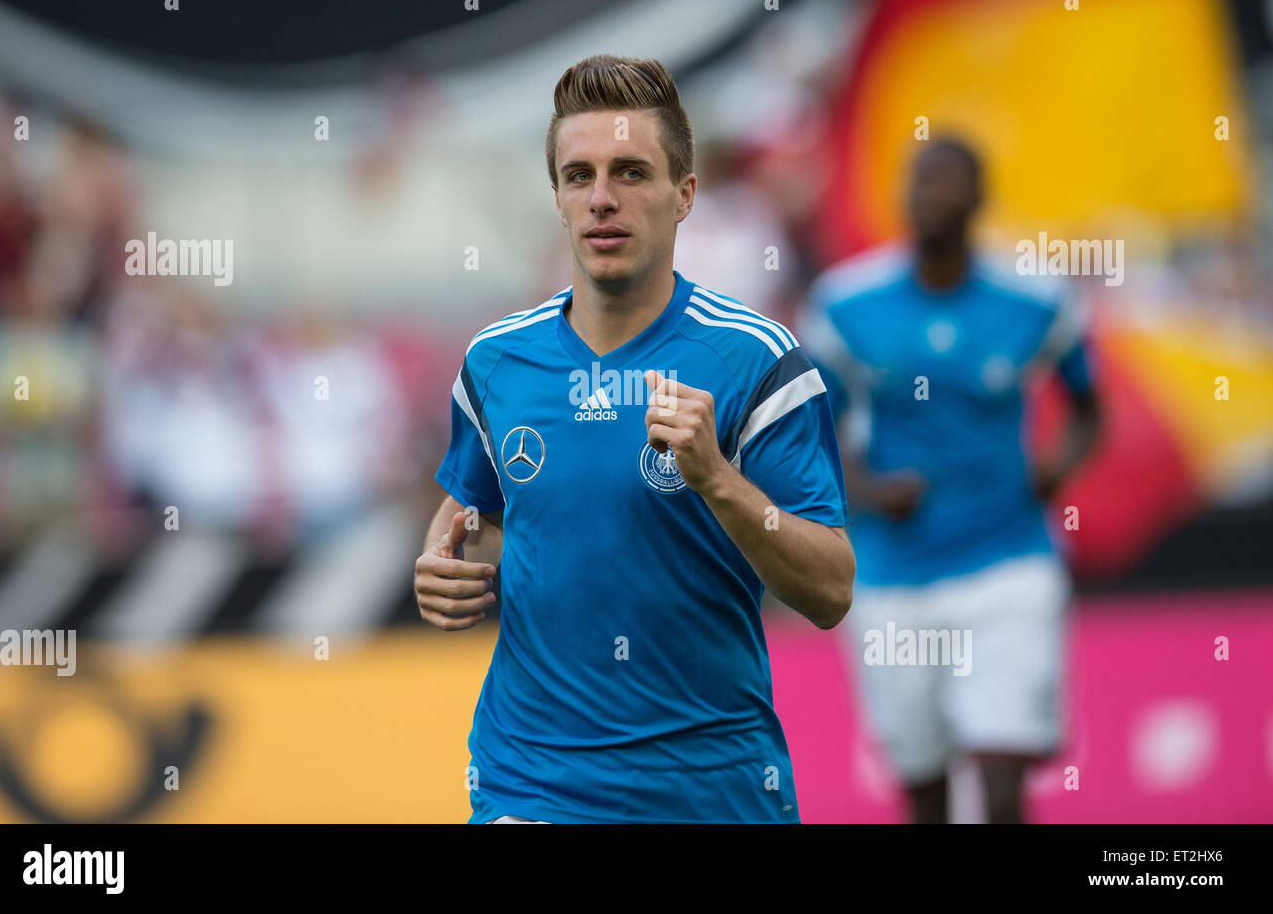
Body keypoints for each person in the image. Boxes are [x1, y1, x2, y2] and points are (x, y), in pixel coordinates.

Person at [414, 54, 854, 823]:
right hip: (534, 779)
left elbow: (830, 590)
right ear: (557, 198)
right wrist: (441, 567)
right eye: (578, 175)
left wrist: (717, 477)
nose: (602, 199)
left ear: (684, 195)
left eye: (630, 173)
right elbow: (473, 518)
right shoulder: (496, 361)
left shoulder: (756, 359)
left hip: (711, 780)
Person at [799, 139, 1102, 823]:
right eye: (917, 181)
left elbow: (1089, 407)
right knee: (924, 784)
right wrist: (870, 491)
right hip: (894, 578)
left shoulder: (1035, 300)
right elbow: (811, 433)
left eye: (943, 181)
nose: (925, 194)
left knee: (1002, 771)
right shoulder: (847, 304)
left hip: (1009, 566)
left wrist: (1056, 463)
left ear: (977, 198)